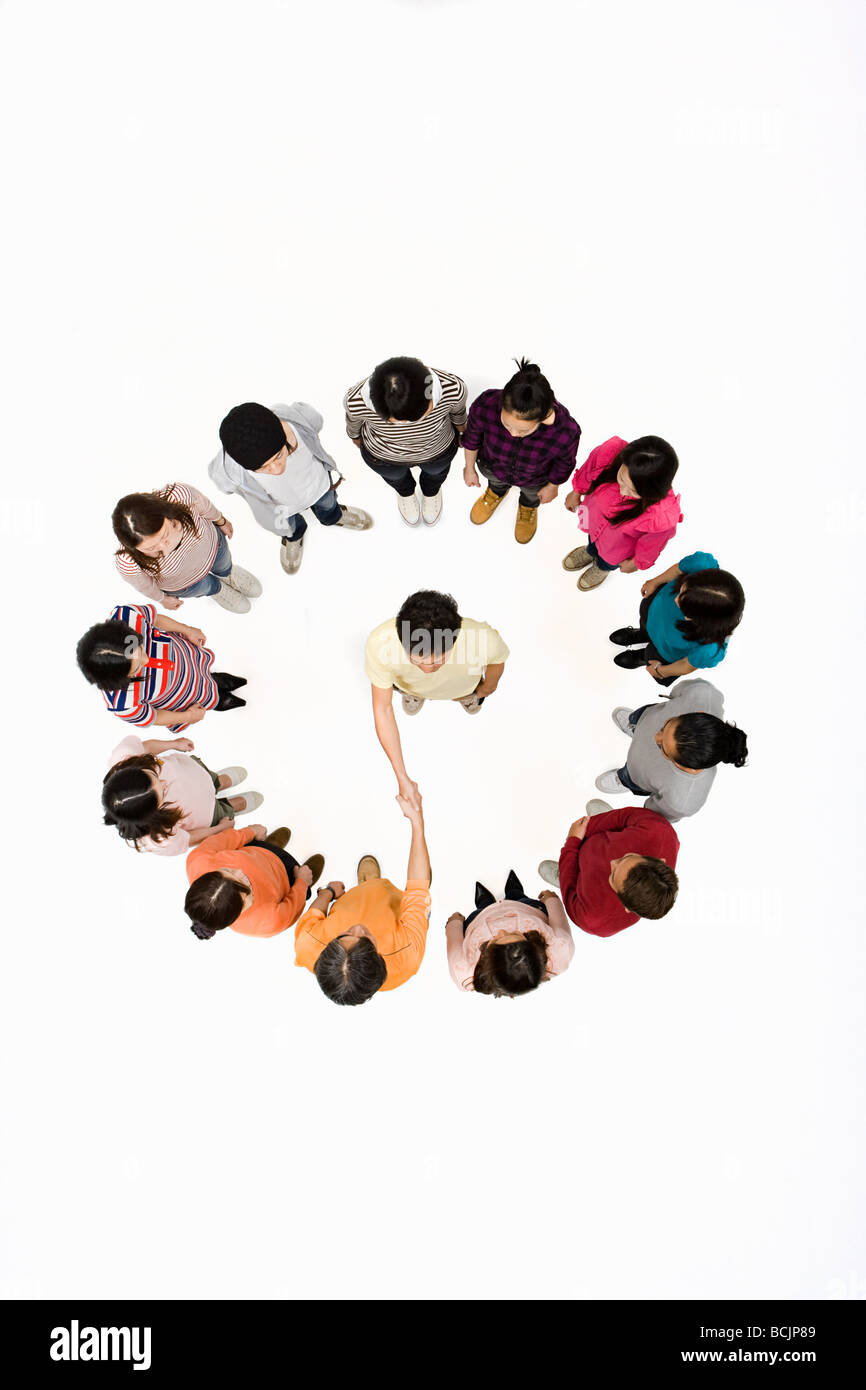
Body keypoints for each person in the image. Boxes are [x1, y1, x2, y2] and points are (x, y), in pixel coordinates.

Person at [365, 590, 510, 805]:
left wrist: (486, 689)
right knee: (411, 688)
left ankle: (467, 699)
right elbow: (383, 708)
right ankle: (416, 695)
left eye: (440, 659)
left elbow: (498, 659)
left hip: (462, 689)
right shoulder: (380, 643)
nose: (427, 667)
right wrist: (402, 776)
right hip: (410, 687)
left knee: (466, 694)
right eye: (418, 659)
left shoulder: (481, 638)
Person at [294, 792, 432, 1004]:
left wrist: (328, 892)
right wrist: (417, 822)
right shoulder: (407, 956)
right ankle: (380, 888)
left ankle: (368, 885)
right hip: (397, 904)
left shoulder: (306, 946)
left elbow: (315, 913)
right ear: (379, 957)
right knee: (419, 895)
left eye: (344, 935)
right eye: (365, 938)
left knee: (372, 889)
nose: (358, 927)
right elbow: (418, 886)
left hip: (352, 900)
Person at [210, 401, 372, 577]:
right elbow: (220, 479)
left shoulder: (301, 421)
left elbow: (316, 420)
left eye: (279, 455)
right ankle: (293, 537)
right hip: (280, 509)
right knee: (290, 527)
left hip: (318, 487)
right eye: (263, 468)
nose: (277, 470)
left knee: (328, 505)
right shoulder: (229, 468)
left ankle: (334, 517)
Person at [462, 358, 581, 544]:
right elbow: (471, 438)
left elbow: (564, 463)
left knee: (532, 495)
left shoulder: (565, 430)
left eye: (523, 430)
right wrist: (469, 468)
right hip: (493, 466)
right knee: (495, 482)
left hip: (535, 479)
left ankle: (527, 507)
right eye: (507, 425)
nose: (513, 434)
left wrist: (553, 486)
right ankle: (495, 492)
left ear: (545, 417)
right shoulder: (486, 404)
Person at [76, 602, 246, 731]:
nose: (146, 660)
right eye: (136, 669)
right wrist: (188, 716)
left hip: (185, 656)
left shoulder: (127, 616)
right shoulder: (123, 703)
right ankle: (214, 700)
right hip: (184, 697)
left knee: (202, 673)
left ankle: (213, 679)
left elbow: (154, 618)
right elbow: (154, 717)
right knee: (208, 698)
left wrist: (186, 629)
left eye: (141, 649)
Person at [594, 681, 748, 822]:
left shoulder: (682, 801)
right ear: (698, 712)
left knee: (632, 777)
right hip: (646, 717)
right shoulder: (702, 693)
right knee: (640, 719)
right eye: (666, 726)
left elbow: (652, 814)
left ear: (689, 769)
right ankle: (634, 724)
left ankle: (624, 778)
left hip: (637, 775)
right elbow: (677, 692)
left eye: (663, 748)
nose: (655, 737)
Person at [343, 356, 468, 526]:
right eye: (398, 421)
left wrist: (463, 433)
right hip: (385, 457)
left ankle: (431, 492)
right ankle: (405, 493)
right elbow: (353, 423)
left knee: (436, 474)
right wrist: (354, 437)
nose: (407, 424)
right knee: (396, 478)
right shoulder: (355, 400)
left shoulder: (453, 388)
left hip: (437, 451)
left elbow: (458, 414)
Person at [112, 483, 262, 614]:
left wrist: (221, 520)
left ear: (167, 513)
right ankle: (218, 589)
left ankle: (228, 574)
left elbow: (205, 506)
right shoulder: (128, 561)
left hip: (213, 548)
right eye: (152, 548)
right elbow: (145, 585)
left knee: (224, 563)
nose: (165, 547)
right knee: (206, 587)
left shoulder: (179, 495)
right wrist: (162, 599)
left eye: (165, 535)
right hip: (186, 584)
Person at [103, 734, 263, 855]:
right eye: (162, 793)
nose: (164, 783)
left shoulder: (124, 756)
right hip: (208, 814)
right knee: (227, 810)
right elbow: (188, 839)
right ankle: (231, 806)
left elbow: (146, 748)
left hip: (195, 773)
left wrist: (173, 744)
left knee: (212, 780)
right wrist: (220, 828)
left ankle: (218, 782)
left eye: (154, 776)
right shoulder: (156, 837)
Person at [539, 800, 679, 938]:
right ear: (660, 861)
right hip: (605, 837)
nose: (612, 862)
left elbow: (570, 898)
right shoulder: (660, 831)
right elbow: (623, 816)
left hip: (580, 876)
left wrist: (572, 843)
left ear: (627, 908)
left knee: (568, 880)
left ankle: (569, 873)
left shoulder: (594, 920)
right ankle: (608, 830)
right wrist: (592, 825)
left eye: (613, 876)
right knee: (612, 820)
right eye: (626, 857)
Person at [562, 435, 682, 590]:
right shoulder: (609, 454)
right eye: (621, 479)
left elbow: (651, 546)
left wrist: (635, 563)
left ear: (654, 491)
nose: (623, 490)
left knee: (607, 560)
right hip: (594, 519)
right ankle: (590, 551)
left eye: (634, 491)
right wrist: (577, 491)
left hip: (617, 547)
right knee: (591, 541)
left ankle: (602, 568)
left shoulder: (661, 518)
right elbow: (588, 471)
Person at [610, 552, 745, 686]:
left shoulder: (711, 648)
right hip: (654, 612)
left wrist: (660, 671)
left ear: (701, 621)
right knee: (646, 623)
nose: (675, 599)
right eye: (682, 589)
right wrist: (655, 581)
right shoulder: (703, 564)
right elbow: (678, 569)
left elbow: (686, 665)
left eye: (684, 607)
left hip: (665, 652)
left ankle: (642, 657)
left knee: (651, 655)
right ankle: (641, 634)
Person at [185, 824, 325, 940]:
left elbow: (224, 839)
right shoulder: (268, 922)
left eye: (228, 871)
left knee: (267, 846)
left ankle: (271, 845)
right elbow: (292, 906)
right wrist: (302, 882)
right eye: (244, 884)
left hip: (257, 851)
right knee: (304, 881)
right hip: (287, 878)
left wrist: (250, 832)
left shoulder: (198, 860)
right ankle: (307, 876)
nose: (241, 872)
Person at [445, 870, 574, 995]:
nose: (502, 931)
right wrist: (551, 899)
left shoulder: (464, 972)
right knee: (517, 896)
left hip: (480, 918)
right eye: (516, 934)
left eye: (495, 940)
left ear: (487, 962)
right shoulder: (560, 949)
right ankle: (515, 893)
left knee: (483, 907)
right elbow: (559, 920)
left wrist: (455, 923)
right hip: (525, 907)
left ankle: (484, 903)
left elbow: (454, 944)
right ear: (534, 947)